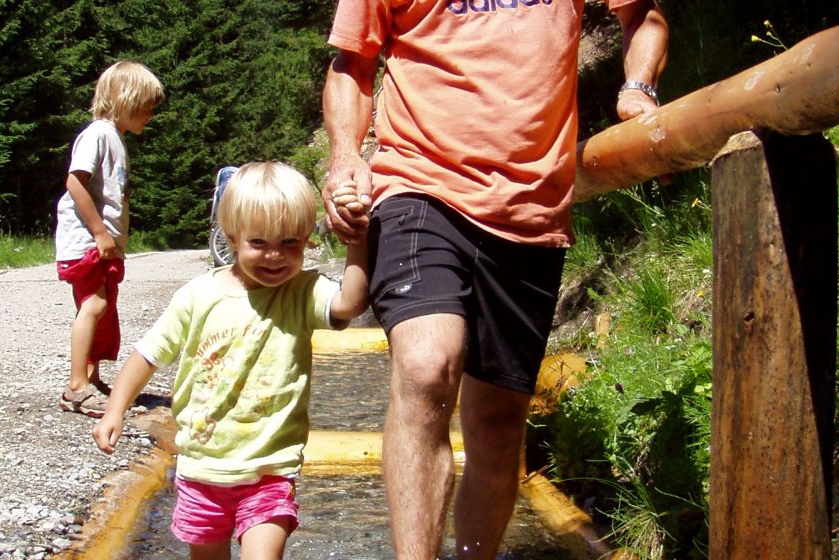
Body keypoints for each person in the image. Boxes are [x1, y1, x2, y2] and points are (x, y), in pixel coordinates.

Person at [321, 0, 668, 558]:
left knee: (498, 421)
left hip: (530, 208)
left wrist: (639, 85)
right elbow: (352, 64)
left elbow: (642, 16)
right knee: (426, 365)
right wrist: (344, 157)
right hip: (418, 183)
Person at [92, 162, 369, 559]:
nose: (275, 256)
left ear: (308, 241)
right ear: (232, 237)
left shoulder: (302, 292)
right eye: (259, 242)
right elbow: (148, 354)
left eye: (290, 243)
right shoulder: (197, 297)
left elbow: (350, 303)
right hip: (202, 467)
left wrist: (357, 238)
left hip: (270, 468)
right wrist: (115, 409)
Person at [55, 60, 164, 418]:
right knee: (94, 305)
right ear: (127, 101)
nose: (151, 114)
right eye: (147, 106)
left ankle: (92, 378)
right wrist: (100, 232)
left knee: (103, 311)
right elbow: (75, 182)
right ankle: (76, 387)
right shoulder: (98, 134)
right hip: (86, 241)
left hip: (103, 245)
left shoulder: (114, 138)